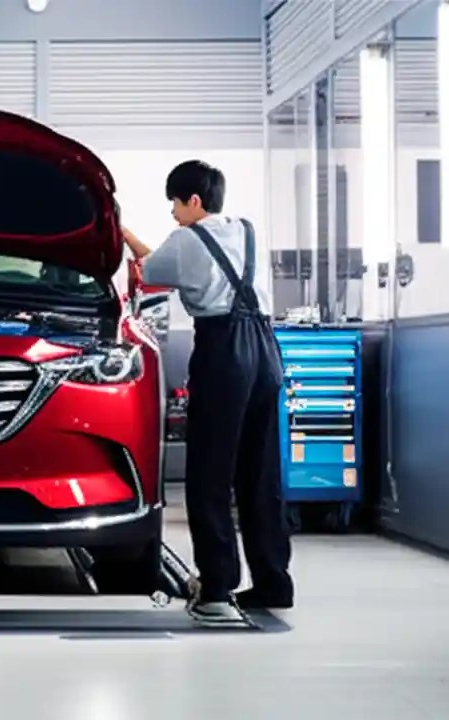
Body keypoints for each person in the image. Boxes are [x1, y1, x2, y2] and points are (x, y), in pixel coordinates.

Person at [122, 160, 293, 625]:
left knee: (209, 474)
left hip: (224, 349)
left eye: (175, 205)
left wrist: (122, 231)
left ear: (193, 201)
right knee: (260, 473)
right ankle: (274, 583)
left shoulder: (185, 241)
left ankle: (216, 587)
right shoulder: (246, 229)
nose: (174, 214)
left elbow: (147, 270)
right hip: (267, 351)